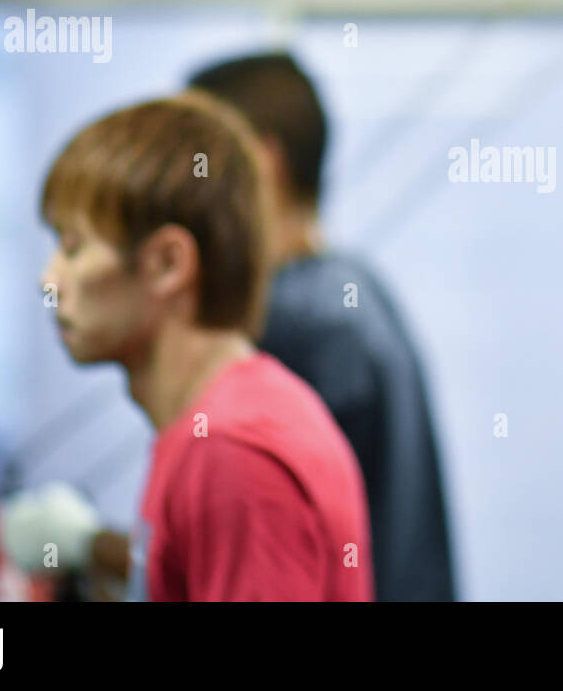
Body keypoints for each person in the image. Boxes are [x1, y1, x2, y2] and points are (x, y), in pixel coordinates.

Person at [39, 92, 373, 600]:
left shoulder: (231, 455)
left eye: (73, 247)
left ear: (169, 264)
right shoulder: (212, 427)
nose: (50, 280)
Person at [188, 52, 456, 602]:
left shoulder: (297, 323)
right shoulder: (353, 287)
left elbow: (257, 553)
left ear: (261, 161)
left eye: (194, 160)